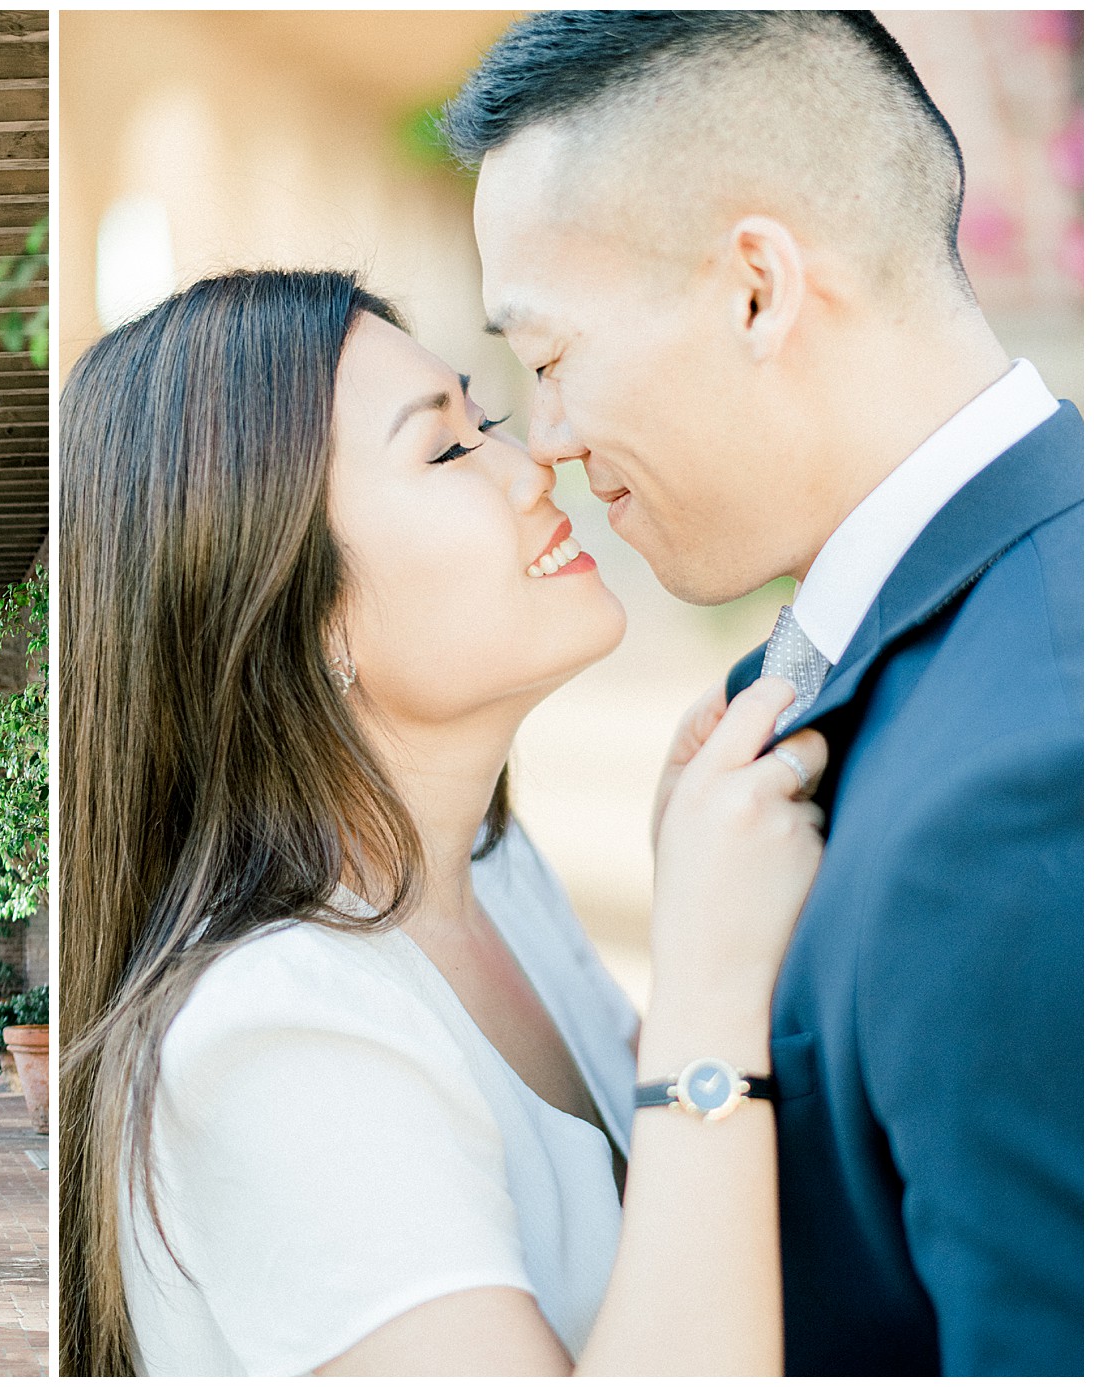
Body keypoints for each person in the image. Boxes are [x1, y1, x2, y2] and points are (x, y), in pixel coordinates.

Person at [447, 11, 1081, 1375]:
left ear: (756, 290)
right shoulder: (903, 658)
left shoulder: (1029, 778)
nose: (543, 441)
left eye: (548, 359)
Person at [58, 268, 828, 1376]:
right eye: (449, 450)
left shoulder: (495, 873)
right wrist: (707, 990)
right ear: (297, 609)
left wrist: (696, 897)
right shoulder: (275, 1040)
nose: (534, 469)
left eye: (491, 420)